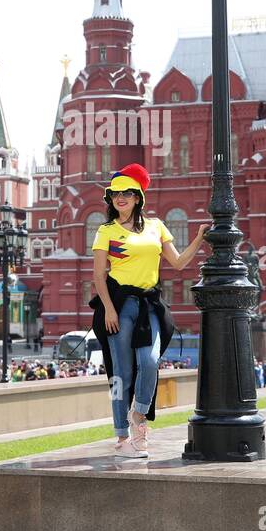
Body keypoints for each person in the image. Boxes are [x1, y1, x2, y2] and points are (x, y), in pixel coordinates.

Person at [89, 163, 201, 459]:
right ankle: (121, 436)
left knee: (150, 361)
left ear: (138, 197)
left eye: (127, 193)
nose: (120, 198)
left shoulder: (156, 226)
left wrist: (201, 237)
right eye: (115, 195)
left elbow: (177, 263)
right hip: (118, 306)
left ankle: (138, 418)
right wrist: (109, 310)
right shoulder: (106, 231)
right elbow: (99, 276)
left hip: (149, 304)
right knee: (120, 374)